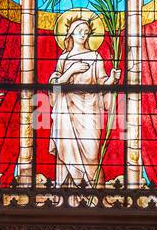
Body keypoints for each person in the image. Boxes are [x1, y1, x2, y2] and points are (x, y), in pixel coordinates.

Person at [48, 17, 120, 188]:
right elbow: (55, 86)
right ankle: (66, 198)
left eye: (86, 32)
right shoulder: (63, 59)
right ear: (70, 33)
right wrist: (71, 71)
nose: (83, 35)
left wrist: (112, 79)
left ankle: (97, 196)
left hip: (90, 110)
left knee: (92, 152)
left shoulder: (95, 57)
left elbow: (102, 83)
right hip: (66, 111)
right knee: (66, 150)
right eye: (79, 31)